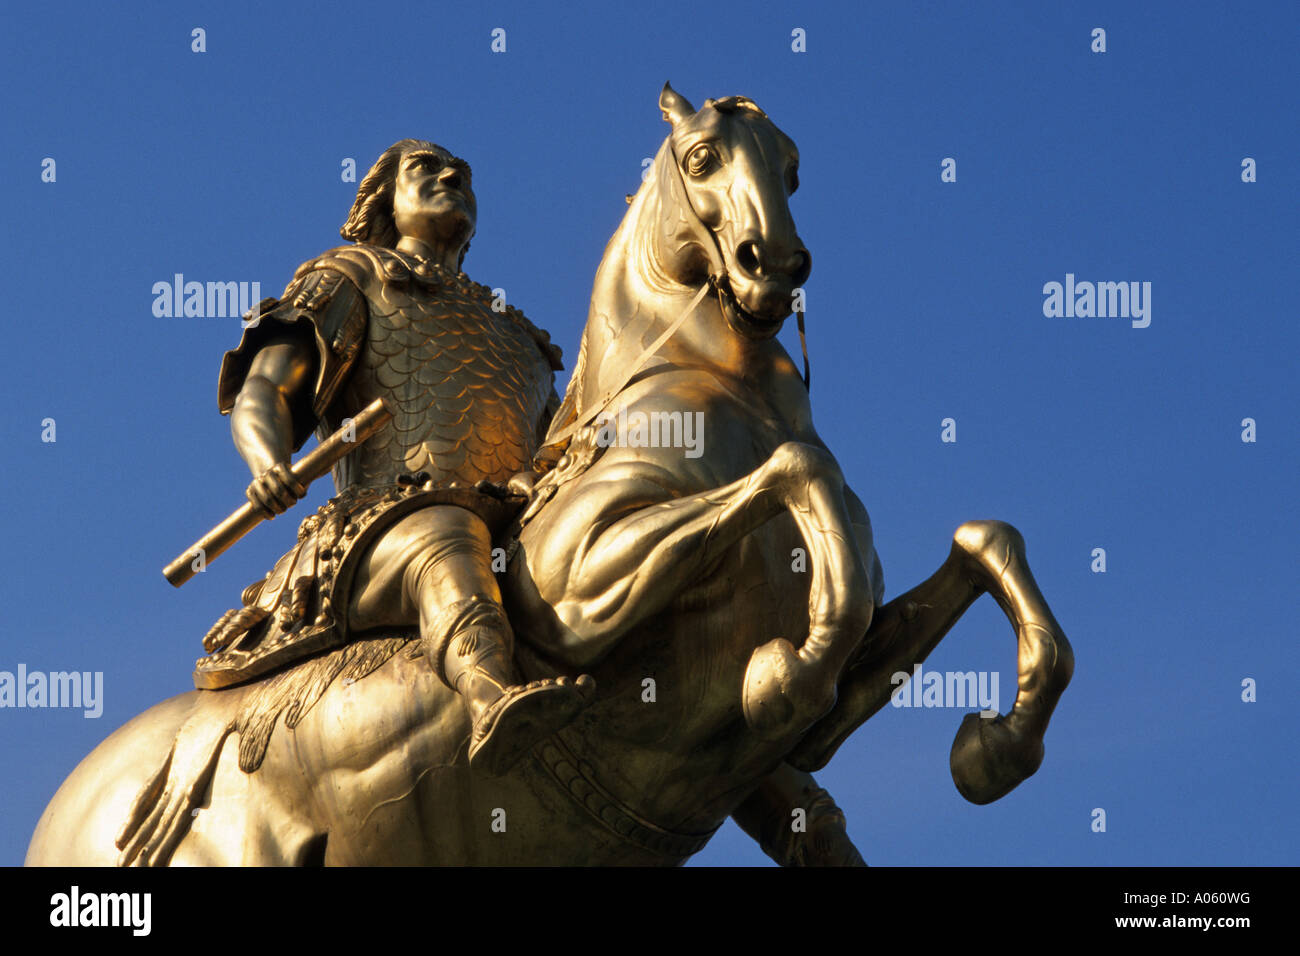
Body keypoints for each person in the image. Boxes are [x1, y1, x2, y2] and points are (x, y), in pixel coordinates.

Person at [199, 138, 593, 775]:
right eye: (426, 168)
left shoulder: (521, 337)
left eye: (462, 175)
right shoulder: (350, 277)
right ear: (385, 198)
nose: (449, 176)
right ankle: (489, 696)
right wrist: (268, 462)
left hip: (513, 526)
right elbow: (266, 388)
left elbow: (560, 458)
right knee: (447, 534)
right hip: (382, 525)